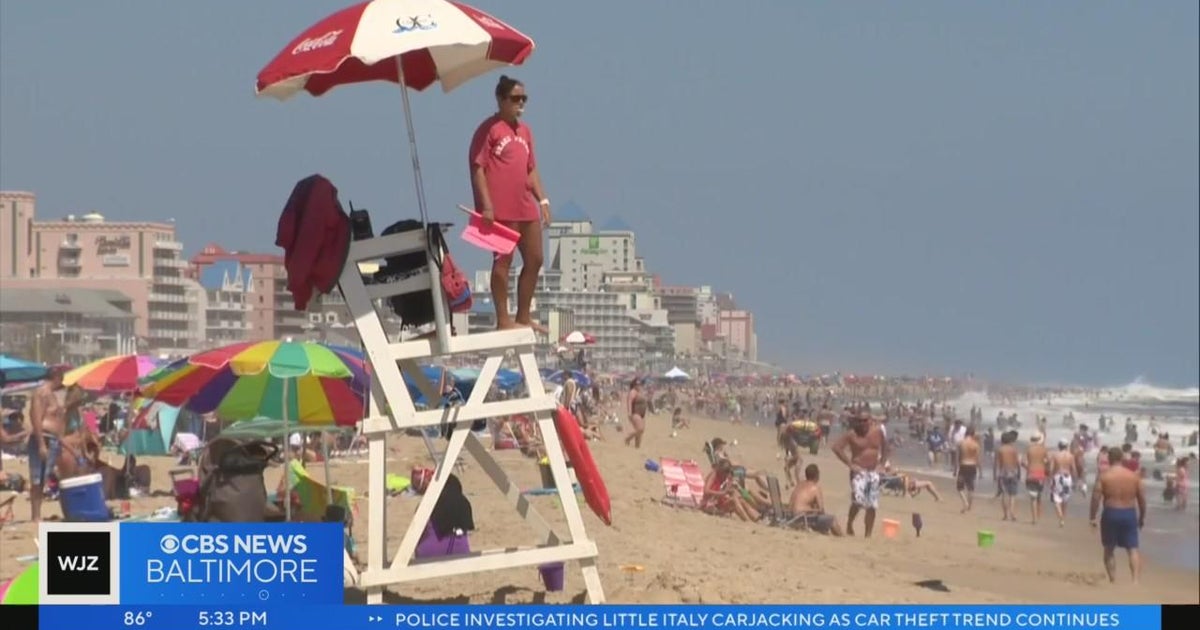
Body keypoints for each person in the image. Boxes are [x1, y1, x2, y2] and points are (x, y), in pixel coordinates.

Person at [469, 75, 551, 332]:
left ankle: (524, 316)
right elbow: (478, 168)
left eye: (524, 98)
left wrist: (543, 200)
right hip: (501, 209)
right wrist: (487, 206)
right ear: (501, 99)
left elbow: (531, 169)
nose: (521, 103)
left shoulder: (525, 131)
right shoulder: (489, 129)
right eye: (515, 98)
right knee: (502, 262)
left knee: (535, 258)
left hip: (526, 207)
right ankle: (503, 319)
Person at [1089, 447, 1146, 583]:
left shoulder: (1104, 476)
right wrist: (1142, 517)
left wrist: (1092, 517)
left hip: (1111, 512)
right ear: (1122, 459)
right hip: (1129, 513)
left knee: (1109, 548)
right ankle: (1135, 581)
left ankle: (1113, 580)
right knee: (1132, 548)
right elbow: (1142, 499)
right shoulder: (1133, 476)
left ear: (1109, 459)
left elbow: (1096, 497)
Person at [831, 413, 888, 537]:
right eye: (860, 420)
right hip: (859, 472)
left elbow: (886, 447)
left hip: (873, 471)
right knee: (858, 501)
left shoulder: (878, 432)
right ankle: (850, 523)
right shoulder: (852, 434)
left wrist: (882, 464)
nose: (862, 423)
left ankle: (868, 534)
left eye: (865, 420)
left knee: (872, 505)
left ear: (870, 420)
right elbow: (836, 447)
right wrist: (850, 464)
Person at [28, 366, 68, 522]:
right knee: (37, 478)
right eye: (61, 377)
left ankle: (37, 514)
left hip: (52, 439)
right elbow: (36, 418)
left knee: (44, 478)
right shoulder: (41, 393)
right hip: (43, 438)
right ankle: (35, 515)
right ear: (56, 376)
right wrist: (40, 444)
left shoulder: (51, 394)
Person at [787, 464, 844, 536]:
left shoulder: (799, 485)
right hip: (802, 517)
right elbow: (821, 509)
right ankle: (841, 537)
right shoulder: (815, 488)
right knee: (832, 519)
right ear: (816, 475)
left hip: (792, 516)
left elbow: (793, 504)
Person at [1050, 440, 1080, 527]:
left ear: (1059, 446)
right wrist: (1076, 480)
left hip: (1058, 476)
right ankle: (1063, 517)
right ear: (1067, 446)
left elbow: (1051, 469)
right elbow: (1074, 469)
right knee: (1065, 499)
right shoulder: (1070, 456)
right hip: (1067, 477)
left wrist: (1050, 478)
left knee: (1056, 498)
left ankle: (1061, 518)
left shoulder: (1055, 455)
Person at [993, 430, 1022, 521]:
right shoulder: (1014, 449)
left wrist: (994, 475)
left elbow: (996, 464)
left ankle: (1005, 515)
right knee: (1012, 495)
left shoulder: (1000, 450)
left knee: (1004, 495)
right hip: (1013, 472)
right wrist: (1019, 473)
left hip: (1003, 473)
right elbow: (1017, 463)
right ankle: (1012, 513)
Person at [1023, 433, 1050, 525]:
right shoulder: (1043, 449)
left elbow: (1022, 462)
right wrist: (1046, 471)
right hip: (1041, 474)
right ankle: (1039, 515)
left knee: (1033, 497)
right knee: (1039, 496)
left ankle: (1034, 519)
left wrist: (1028, 468)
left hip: (1031, 473)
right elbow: (1048, 461)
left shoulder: (1028, 449)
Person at [955, 427, 980, 513]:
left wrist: (955, 469)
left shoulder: (961, 443)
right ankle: (969, 506)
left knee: (959, 487)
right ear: (973, 434)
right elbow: (977, 459)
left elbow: (958, 457)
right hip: (972, 466)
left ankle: (965, 502)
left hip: (963, 465)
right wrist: (981, 471)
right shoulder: (976, 444)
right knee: (971, 488)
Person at [624, 380, 647, 448]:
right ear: (634, 385)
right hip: (635, 412)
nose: (639, 386)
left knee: (640, 432)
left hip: (641, 413)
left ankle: (637, 446)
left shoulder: (639, 392)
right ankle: (627, 439)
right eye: (637, 384)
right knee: (640, 429)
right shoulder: (632, 392)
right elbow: (629, 402)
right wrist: (629, 413)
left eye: (639, 384)